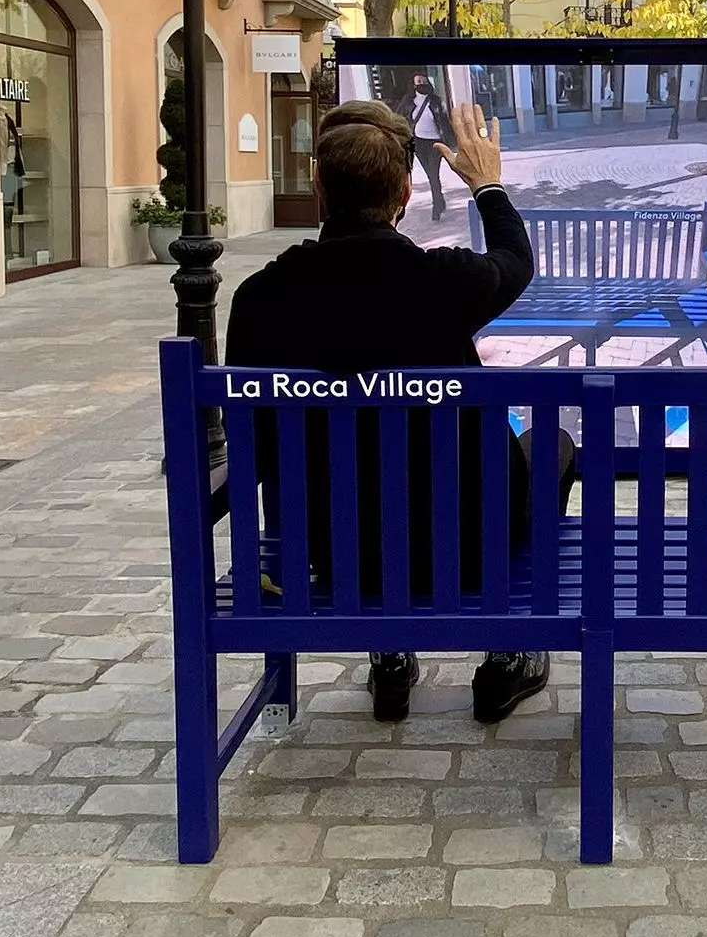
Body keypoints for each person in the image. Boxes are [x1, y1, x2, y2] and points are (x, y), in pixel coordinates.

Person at [224, 98, 565, 724]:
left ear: (319, 186)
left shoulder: (262, 298)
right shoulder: (445, 283)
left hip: (337, 553)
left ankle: (389, 652)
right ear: (406, 191)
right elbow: (518, 262)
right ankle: (509, 651)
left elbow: (256, 446)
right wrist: (488, 184)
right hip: (467, 549)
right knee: (555, 445)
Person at [406, 73, 450, 221]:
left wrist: (450, 142)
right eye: (418, 82)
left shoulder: (436, 101)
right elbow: (401, 118)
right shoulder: (409, 102)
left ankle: (436, 208)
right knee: (430, 175)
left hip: (435, 142)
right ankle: (440, 200)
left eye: (424, 81)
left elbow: (445, 122)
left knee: (433, 173)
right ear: (414, 85)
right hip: (419, 143)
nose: (421, 83)